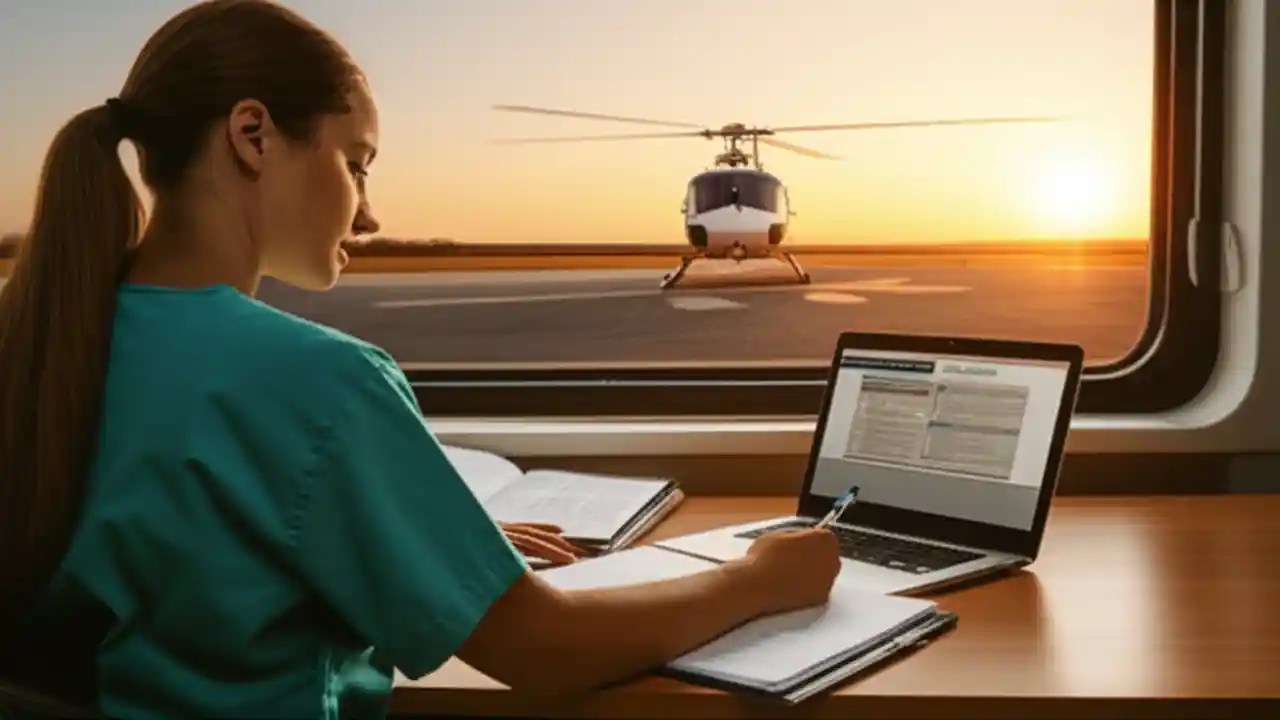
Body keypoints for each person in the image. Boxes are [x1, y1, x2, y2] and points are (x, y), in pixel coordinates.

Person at [0, 1, 841, 718]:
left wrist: (424, 544)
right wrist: (758, 580)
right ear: (253, 136)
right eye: (356, 165)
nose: (368, 215)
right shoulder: (317, 379)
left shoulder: (49, 337)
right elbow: (543, 650)